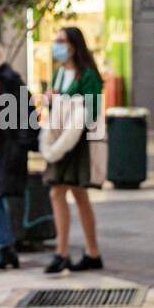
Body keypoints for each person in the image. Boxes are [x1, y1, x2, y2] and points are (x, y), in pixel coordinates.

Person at [40, 26, 104, 274]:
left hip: (76, 142)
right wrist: (51, 101)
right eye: (55, 40)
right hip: (60, 140)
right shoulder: (59, 74)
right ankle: (88, 253)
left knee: (67, 192)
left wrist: (61, 102)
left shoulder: (87, 75)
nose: (57, 45)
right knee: (69, 194)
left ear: (74, 45)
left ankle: (64, 253)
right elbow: (59, 107)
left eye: (61, 40)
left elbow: (92, 109)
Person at [0, 35, 35, 269]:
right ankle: (6, 246)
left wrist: (20, 145)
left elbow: (26, 113)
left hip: (4, 149)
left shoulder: (8, 79)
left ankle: (5, 247)